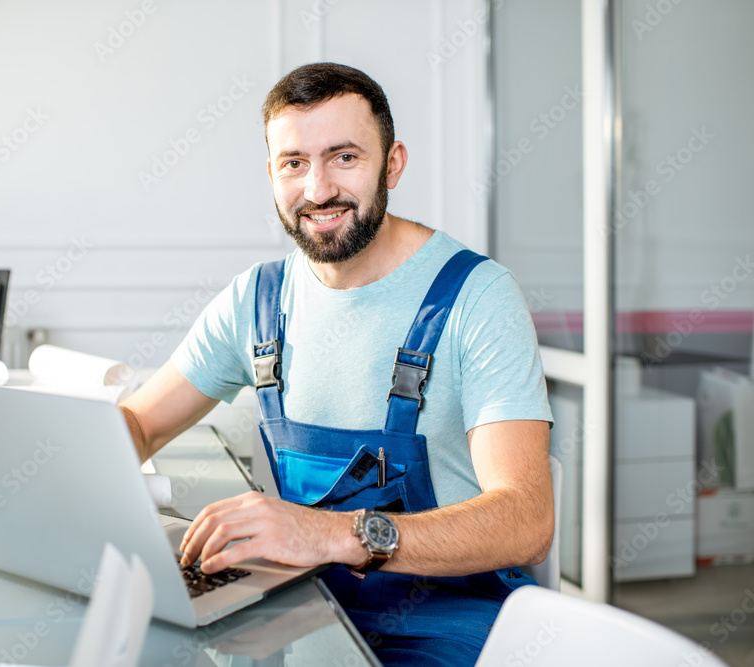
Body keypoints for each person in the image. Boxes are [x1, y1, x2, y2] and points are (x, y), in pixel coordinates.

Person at [119, 62, 554, 666]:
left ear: (393, 164)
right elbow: (139, 424)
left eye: (344, 157)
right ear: (271, 173)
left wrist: (329, 534)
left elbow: (526, 520)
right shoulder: (257, 302)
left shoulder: (478, 297)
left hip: (451, 624)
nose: (318, 189)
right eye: (294, 162)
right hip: (306, 610)